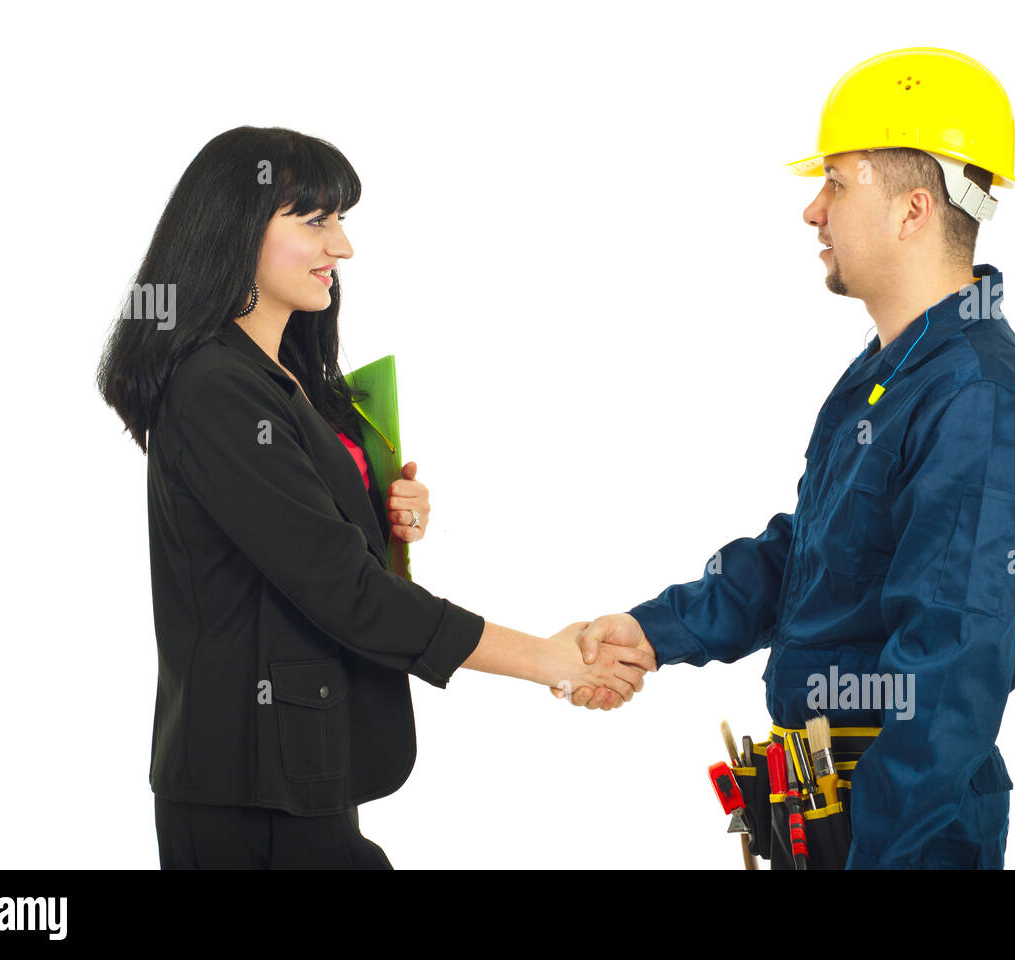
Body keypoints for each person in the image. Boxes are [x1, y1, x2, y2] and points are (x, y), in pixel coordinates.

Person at [559, 48, 1015, 868]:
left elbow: (947, 674)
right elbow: (812, 555)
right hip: (837, 805)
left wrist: (873, 851)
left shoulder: (980, 398)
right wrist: (652, 632)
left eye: (836, 182)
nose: (812, 211)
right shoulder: (890, 374)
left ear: (912, 209)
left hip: (903, 830)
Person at [96, 126, 655, 869]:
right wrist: (550, 660)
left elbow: (311, 544)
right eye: (315, 221)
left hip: (297, 771)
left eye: (342, 221)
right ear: (237, 231)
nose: (343, 248)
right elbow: (344, 591)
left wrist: (385, 513)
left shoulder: (284, 374)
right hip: (249, 791)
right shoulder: (214, 388)